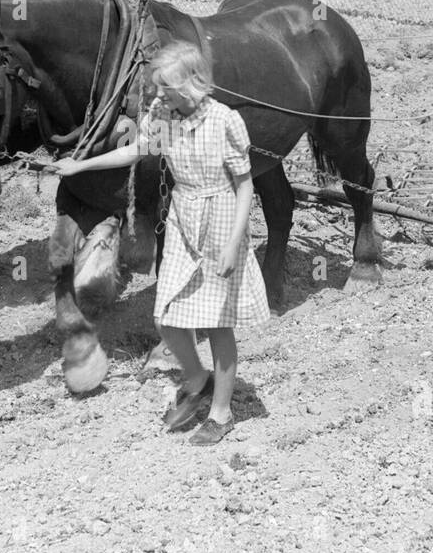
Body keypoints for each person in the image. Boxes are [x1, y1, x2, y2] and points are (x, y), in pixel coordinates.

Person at [49, 41, 268, 445]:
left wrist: (233, 244)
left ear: (192, 82)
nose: (157, 93)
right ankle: (197, 377)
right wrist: (79, 166)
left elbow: (244, 186)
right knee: (165, 315)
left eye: (164, 85)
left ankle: (221, 412)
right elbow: (135, 150)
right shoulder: (163, 115)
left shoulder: (225, 121)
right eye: (156, 86)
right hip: (184, 215)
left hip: (221, 218)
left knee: (218, 325)